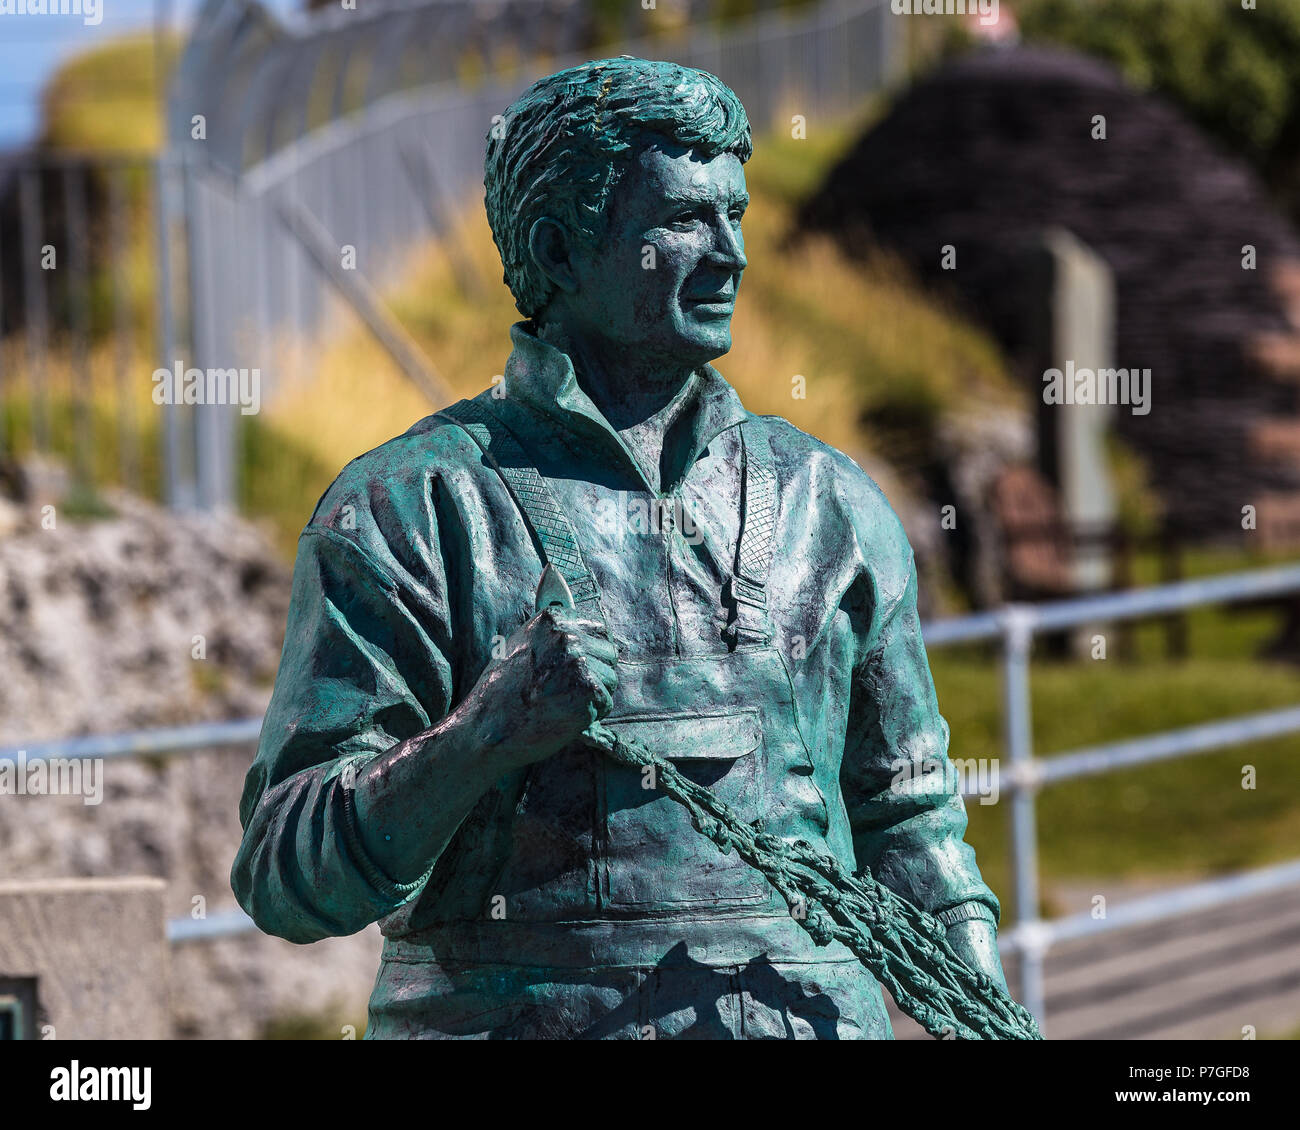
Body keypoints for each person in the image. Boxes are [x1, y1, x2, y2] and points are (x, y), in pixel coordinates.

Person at [232, 56, 1009, 1039]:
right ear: (558, 249)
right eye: (683, 220)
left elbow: (909, 821)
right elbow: (287, 878)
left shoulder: (829, 502)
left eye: (736, 216)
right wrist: (478, 737)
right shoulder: (411, 509)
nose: (728, 253)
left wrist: (985, 1015)